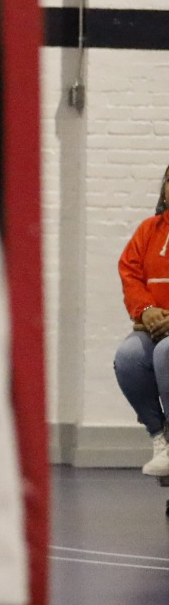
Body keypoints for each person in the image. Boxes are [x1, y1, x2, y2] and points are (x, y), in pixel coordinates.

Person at [114, 162, 169, 479]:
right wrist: (146, 309)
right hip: (151, 326)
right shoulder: (148, 230)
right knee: (129, 357)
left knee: (165, 354)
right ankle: (159, 436)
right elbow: (130, 274)